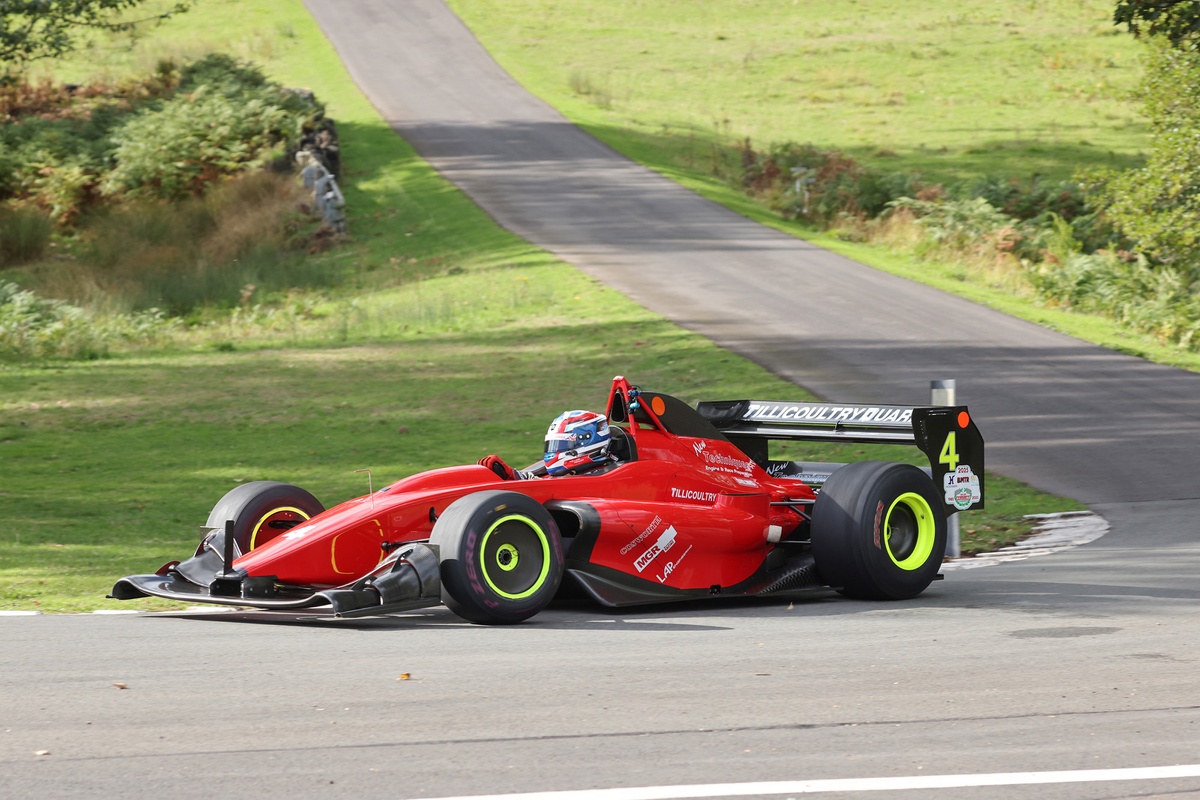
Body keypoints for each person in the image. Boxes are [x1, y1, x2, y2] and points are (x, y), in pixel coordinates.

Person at [478, 410, 614, 480]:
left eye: (562, 444)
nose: (554, 451)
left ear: (588, 441)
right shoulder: (569, 473)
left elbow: (558, 488)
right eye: (553, 444)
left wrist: (514, 476)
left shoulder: (602, 475)